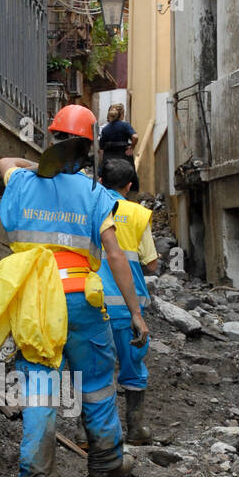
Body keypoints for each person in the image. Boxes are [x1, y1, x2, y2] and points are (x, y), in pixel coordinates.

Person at [0, 104, 148, 477]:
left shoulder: (24, 181)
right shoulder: (93, 193)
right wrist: (135, 313)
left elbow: (5, 160)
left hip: (36, 304)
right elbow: (117, 257)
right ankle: (104, 467)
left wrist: (39, 165)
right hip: (82, 300)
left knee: (40, 391)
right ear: (89, 153)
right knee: (98, 383)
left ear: (52, 142)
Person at [97, 157, 158, 444]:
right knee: (132, 365)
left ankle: (88, 431)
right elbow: (152, 264)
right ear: (129, 185)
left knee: (94, 367)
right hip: (127, 307)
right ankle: (135, 429)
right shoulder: (137, 214)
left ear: (100, 181)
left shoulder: (90, 207)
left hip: (92, 303)